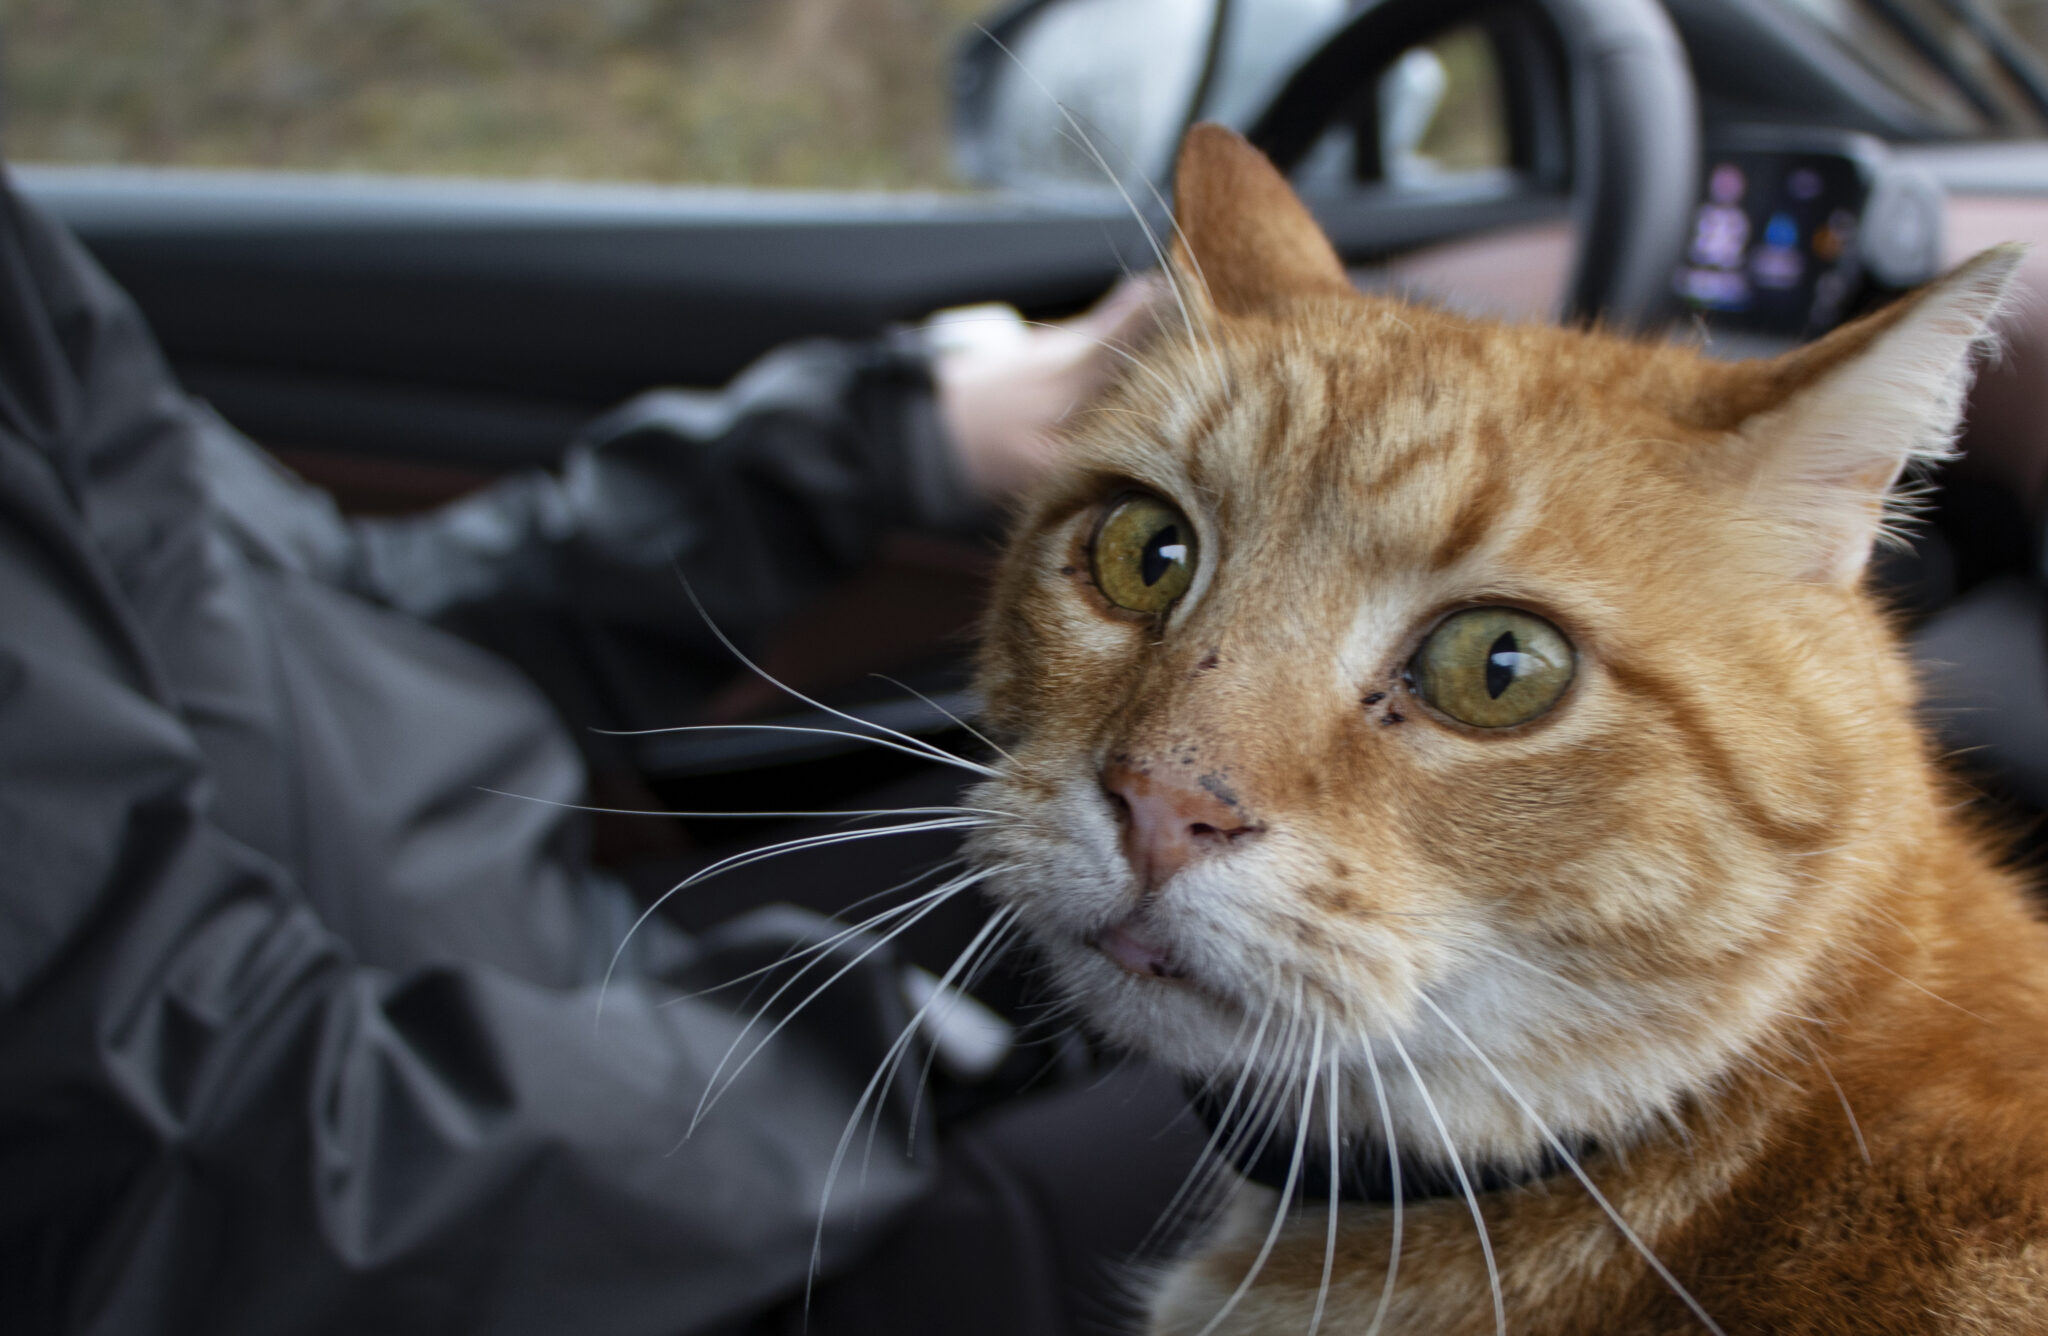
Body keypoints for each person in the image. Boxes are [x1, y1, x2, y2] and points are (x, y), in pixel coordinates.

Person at [0, 171, 1203, 1335]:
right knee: (1341, 1162)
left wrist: (907, 432)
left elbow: (339, 609)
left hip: (546, 1026)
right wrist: (877, 1059)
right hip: (486, 1230)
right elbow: (186, 1152)